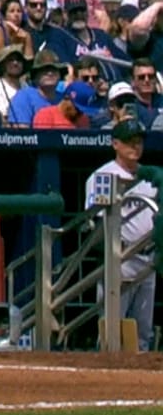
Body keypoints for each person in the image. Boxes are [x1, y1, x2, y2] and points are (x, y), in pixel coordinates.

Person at [83, 119, 157, 351]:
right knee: (112, 329)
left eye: (138, 142)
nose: (135, 147)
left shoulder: (150, 177)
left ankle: (139, 385)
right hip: (119, 258)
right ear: (115, 143)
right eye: (129, 142)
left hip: (148, 258)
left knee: (142, 332)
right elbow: (94, 222)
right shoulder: (102, 176)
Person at [33, 81, 102, 129]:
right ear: (67, 98)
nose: (80, 112)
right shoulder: (45, 115)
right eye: (77, 108)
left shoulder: (83, 118)